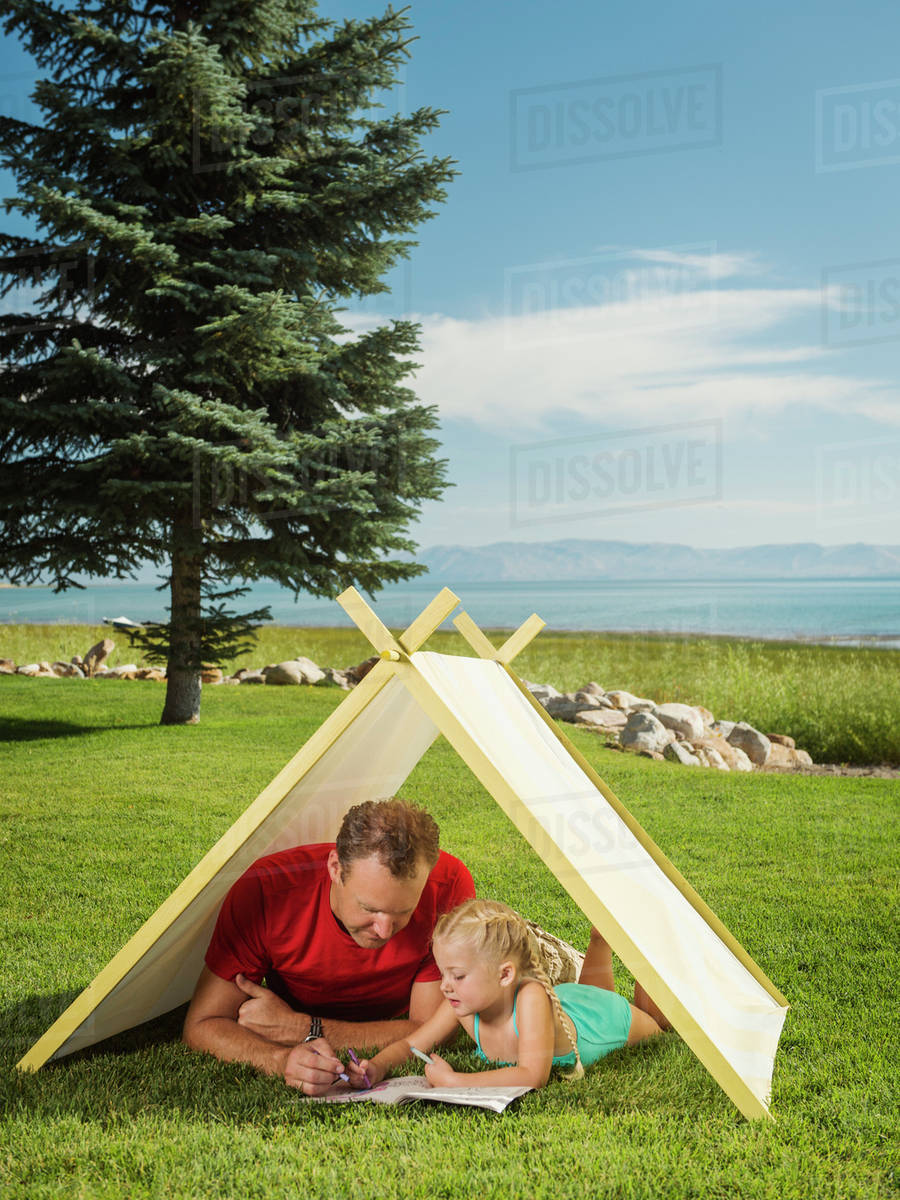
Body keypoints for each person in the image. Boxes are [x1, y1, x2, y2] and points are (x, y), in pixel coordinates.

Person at [182, 798, 475, 1095]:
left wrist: (300, 1029)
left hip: (298, 1016)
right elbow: (203, 1025)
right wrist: (281, 1059)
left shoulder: (447, 883)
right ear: (335, 868)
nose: (384, 930)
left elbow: (430, 1030)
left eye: (402, 912)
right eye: (368, 908)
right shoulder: (267, 892)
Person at [347, 899, 670, 1091]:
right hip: (572, 1000)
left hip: (603, 1023)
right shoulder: (462, 1001)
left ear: (504, 974)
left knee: (661, 1026)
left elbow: (533, 1075)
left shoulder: (530, 997)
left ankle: (646, 940)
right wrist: (376, 1066)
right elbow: (410, 1044)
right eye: (443, 972)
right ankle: (600, 940)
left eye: (457, 975)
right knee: (588, 993)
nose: (445, 985)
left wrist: (455, 1081)